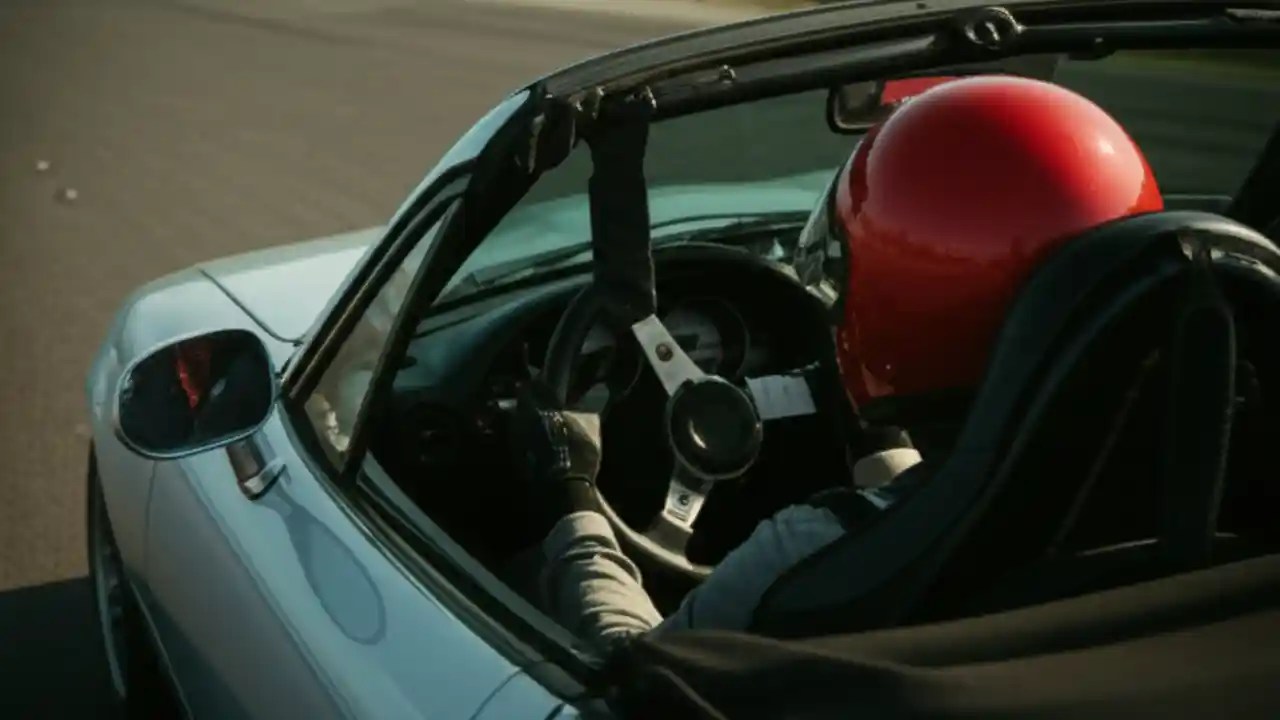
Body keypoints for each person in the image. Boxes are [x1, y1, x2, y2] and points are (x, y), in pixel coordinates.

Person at [516, 75, 1166, 654]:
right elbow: (955, 499)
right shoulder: (1188, 487)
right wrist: (875, 434)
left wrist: (570, 495)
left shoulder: (814, 554)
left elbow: (630, 669)